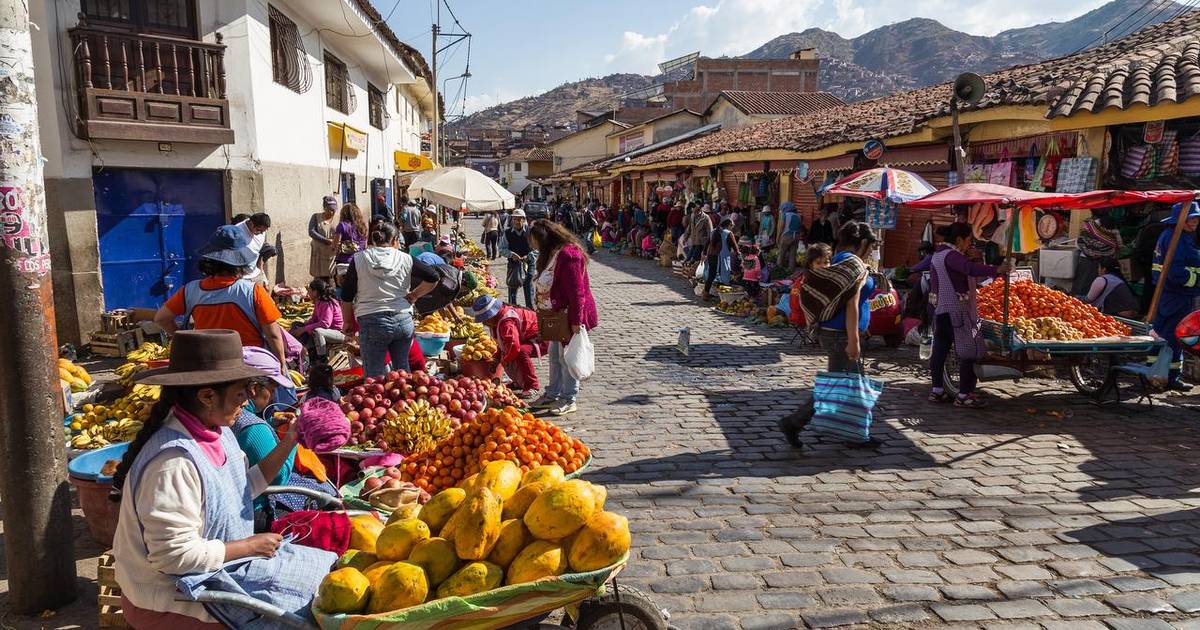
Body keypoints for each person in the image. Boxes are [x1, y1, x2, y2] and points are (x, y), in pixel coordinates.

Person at [111, 329, 335, 629]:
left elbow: (244, 488)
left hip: (216, 571)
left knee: (324, 575)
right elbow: (173, 556)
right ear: (207, 396)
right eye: (241, 393)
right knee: (301, 617)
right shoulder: (173, 463)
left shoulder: (219, 432)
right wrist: (248, 547)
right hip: (169, 598)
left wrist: (290, 440)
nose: (246, 400)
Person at [156, 226, 287, 370]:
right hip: (248, 366)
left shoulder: (189, 291)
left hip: (208, 364)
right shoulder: (253, 291)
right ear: (241, 261)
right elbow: (273, 335)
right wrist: (281, 363)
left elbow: (161, 318)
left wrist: (187, 341)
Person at [236, 346, 337, 526]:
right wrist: (292, 438)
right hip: (257, 510)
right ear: (253, 389)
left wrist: (273, 421)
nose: (274, 396)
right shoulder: (253, 428)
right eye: (272, 388)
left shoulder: (228, 417)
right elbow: (277, 476)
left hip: (241, 499)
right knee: (327, 493)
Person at [340, 222, 439, 378]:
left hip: (372, 323)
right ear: (394, 241)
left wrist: (347, 322)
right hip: (402, 321)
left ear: (372, 241)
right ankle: (406, 401)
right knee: (402, 373)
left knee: (374, 377)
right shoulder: (405, 258)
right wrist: (415, 294)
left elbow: (346, 295)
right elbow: (433, 277)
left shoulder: (359, 259)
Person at [928, 223, 1009, 408]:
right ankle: (964, 395)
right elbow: (969, 270)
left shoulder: (938, 254)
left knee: (939, 352)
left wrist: (976, 260)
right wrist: (996, 269)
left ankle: (937, 391)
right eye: (968, 241)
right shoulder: (952, 256)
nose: (969, 245)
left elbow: (967, 271)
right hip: (957, 311)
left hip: (940, 310)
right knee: (969, 352)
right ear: (959, 240)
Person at [526, 220, 597, 416]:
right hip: (555, 316)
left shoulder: (569, 255)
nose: (532, 244)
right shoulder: (552, 254)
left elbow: (577, 293)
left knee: (567, 359)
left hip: (568, 316)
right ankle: (553, 393)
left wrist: (576, 321)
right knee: (555, 357)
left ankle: (568, 398)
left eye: (534, 240)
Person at [1151, 202, 1200, 390]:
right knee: (1174, 337)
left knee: (1164, 336)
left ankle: (1160, 375)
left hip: (1171, 295)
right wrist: (1197, 279)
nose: (1195, 221)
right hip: (1177, 297)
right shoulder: (1176, 239)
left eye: (1196, 218)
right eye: (1192, 218)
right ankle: (1166, 377)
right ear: (1181, 220)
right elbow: (1177, 273)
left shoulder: (1177, 237)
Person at [471, 295, 547, 395]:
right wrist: (497, 359)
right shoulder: (496, 320)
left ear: (492, 315)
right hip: (528, 338)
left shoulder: (506, 322)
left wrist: (503, 361)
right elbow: (503, 344)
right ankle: (519, 382)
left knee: (521, 352)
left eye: (485, 320)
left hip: (545, 337)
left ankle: (532, 385)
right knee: (508, 353)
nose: (484, 323)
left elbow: (514, 347)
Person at [291, 279, 345, 359]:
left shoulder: (327, 303)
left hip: (337, 332)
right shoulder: (318, 302)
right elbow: (314, 319)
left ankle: (321, 358)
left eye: (309, 291)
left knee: (317, 331)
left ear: (315, 292)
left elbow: (325, 323)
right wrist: (302, 326)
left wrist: (304, 329)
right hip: (326, 330)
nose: (308, 293)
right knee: (296, 324)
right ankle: (302, 352)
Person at [1072, 213, 1122, 296]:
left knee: (1092, 284)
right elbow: (1081, 241)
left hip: (1099, 261)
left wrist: (1096, 252)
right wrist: (1094, 252)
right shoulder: (1090, 227)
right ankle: (1075, 302)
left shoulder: (1113, 229)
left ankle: (1085, 303)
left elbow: (1117, 244)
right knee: (1081, 283)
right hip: (1087, 259)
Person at [701, 219, 739, 300]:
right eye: (732, 226)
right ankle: (726, 297)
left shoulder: (713, 231)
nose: (732, 228)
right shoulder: (728, 233)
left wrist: (704, 254)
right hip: (721, 257)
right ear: (729, 225)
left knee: (711, 275)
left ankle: (706, 293)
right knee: (725, 275)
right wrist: (739, 255)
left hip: (711, 255)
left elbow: (707, 243)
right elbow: (735, 247)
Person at [505, 209, 536, 308]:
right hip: (513, 264)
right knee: (512, 287)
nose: (517, 222)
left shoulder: (530, 232)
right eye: (514, 219)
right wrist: (511, 254)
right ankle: (512, 310)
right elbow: (501, 249)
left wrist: (529, 256)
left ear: (524, 220)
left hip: (529, 263)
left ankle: (530, 310)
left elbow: (538, 248)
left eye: (519, 219)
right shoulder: (507, 233)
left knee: (528, 285)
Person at [330, 203, 368, 282]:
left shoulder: (342, 226)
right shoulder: (363, 226)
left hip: (344, 262)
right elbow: (365, 246)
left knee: (343, 289)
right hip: (359, 262)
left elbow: (335, 246)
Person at [308, 196, 338, 281]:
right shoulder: (316, 217)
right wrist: (326, 240)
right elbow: (311, 231)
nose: (332, 212)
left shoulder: (338, 218)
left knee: (333, 277)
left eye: (334, 210)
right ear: (324, 208)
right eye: (330, 210)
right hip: (319, 253)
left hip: (332, 254)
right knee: (320, 278)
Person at [778, 202, 805, 273]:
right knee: (792, 255)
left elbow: (782, 227)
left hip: (787, 236)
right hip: (796, 236)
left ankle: (778, 269)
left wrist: (778, 237)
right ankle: (791, 271)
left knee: (782, 253)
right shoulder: (798, 216)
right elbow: (799, 228)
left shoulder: (786, 215)